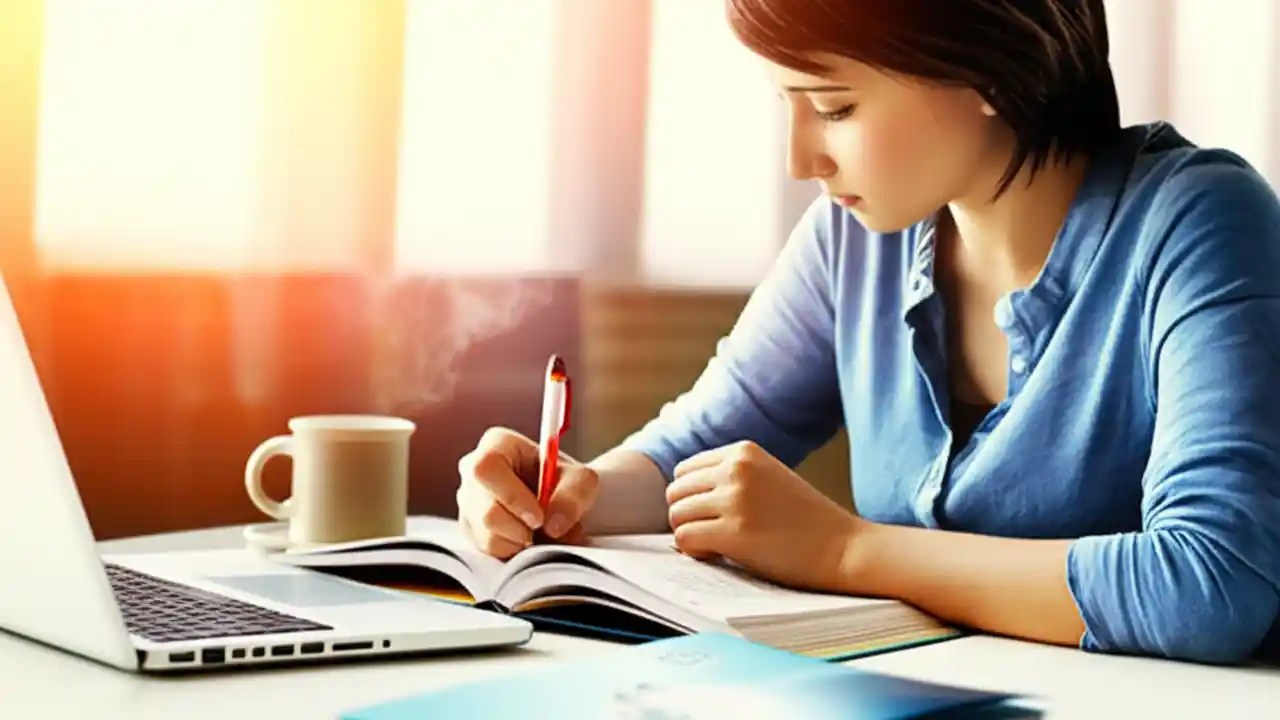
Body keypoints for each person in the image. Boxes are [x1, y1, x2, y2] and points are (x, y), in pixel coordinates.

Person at [454, 0, 1280, 665]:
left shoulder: (1198, 221)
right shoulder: (853, 239)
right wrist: (569, 495)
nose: (799, 160)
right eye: (788, 106)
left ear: (987, 68)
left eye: (834, 107)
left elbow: (1213, 583)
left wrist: (846, 552)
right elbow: (694, 449)